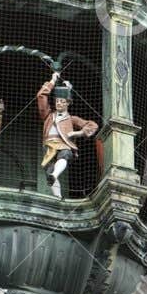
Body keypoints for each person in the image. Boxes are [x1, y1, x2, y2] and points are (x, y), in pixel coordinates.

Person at [36, 71, 98, 200]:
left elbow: (93, 125)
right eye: (57, 101)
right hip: (49, 146)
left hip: (64, 144)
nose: (59, 103)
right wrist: (52, 81)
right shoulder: (48, 115)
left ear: (68, 103)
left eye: (62, 101)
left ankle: (55, 175)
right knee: (50, 171)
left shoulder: (72, 119)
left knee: (64, 154)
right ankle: (58, 197)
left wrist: (78, 133)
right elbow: (41, 96)